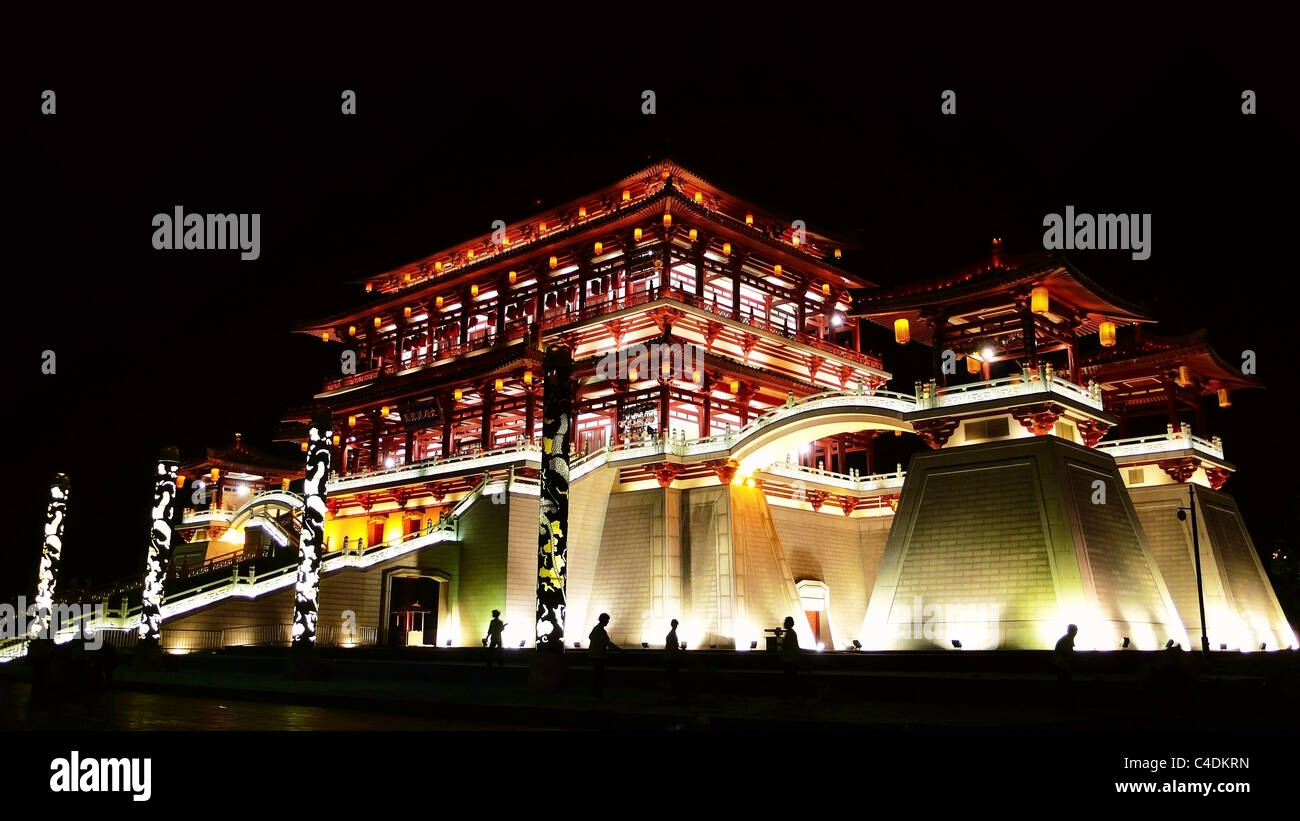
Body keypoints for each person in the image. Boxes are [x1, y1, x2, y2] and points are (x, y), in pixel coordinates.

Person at [588, 613, 620, 698]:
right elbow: (607, 643)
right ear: (604, 620)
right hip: (599, 656)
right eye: (607, 620)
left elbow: (590, 637)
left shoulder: (596, 629)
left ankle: (595, 693)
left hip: (594, 655)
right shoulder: (600, 630)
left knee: (597, 675)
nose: (608, 622)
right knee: (598, 675)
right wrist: (618, 649)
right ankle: (597, 693)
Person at [1053, 624, 1078, 711]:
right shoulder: (1068, 639)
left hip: (1061, 664)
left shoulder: (1067, 638)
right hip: (1062, 665)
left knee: (1064, 683)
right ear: (1072, 631)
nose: (1076, 633)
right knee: (1066, 683)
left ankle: (1063, 705)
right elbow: (1068, 653)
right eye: (1075, 631)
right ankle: (1065, 705)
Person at [780, 616, 801, 700]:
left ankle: (789, 697)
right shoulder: (792, 633)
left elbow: (788, 646)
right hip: (792, 659)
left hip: (790, 660)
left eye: (785, 622)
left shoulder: (789, 633)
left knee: (789, 679)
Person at [664, 619, 682, 695]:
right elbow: (673, 645)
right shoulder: (672, 634)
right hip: (671, 656)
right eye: (676, 625)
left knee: (671, 673)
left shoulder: (671, 633)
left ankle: (671, 689)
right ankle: (672, 689)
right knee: (673, 673)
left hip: (669, 655)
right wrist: (678, 647)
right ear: (673, 625)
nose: (676, 626)